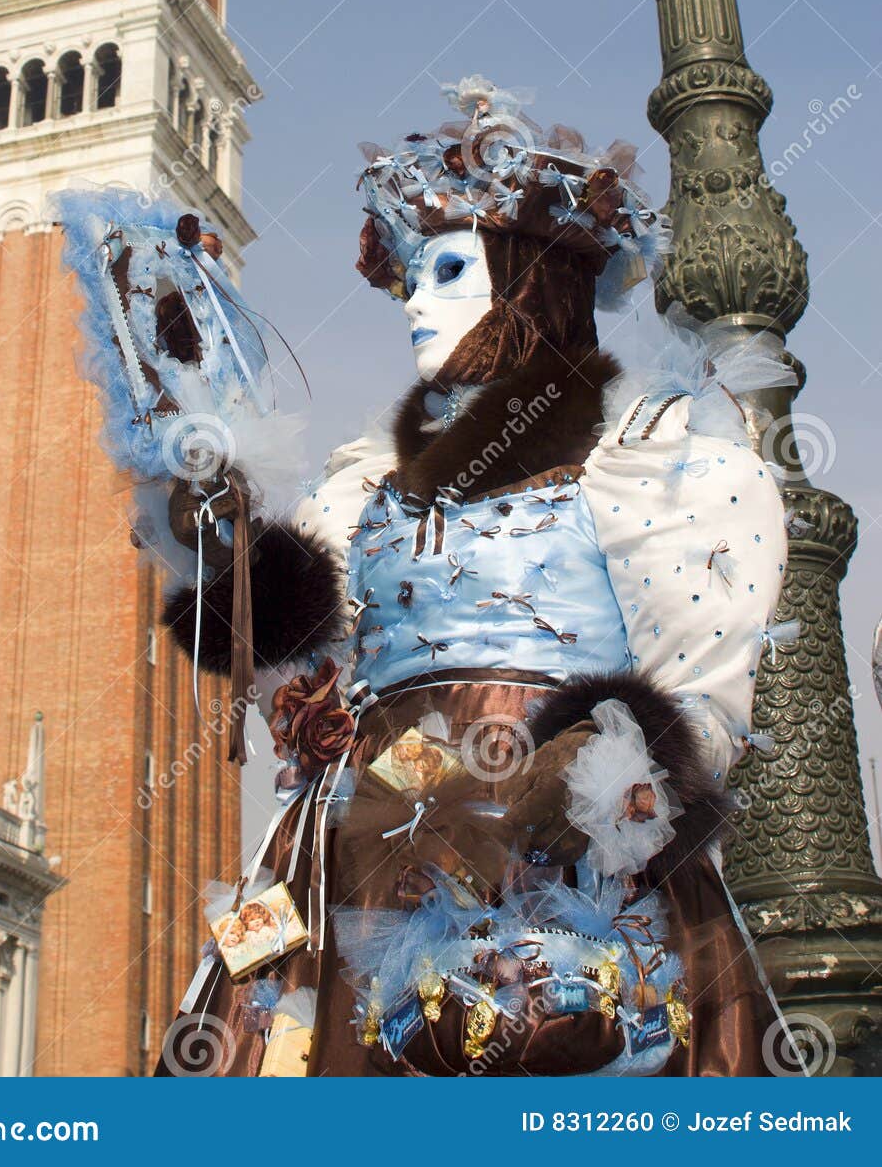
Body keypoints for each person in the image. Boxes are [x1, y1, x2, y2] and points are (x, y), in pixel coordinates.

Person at [157, 77, 797, 1078]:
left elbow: (695, 692)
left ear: (528, 281)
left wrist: (598, 764)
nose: (417, 299)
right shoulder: (367, 474)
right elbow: (296, 646)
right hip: (362, 828)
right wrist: (206, 498)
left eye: (449, 268)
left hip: (563, 838)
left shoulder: (651, 452)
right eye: (411, 275)